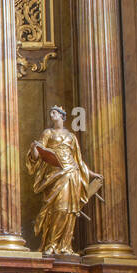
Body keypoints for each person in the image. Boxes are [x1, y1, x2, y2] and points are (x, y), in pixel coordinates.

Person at [26, 105, 100, 255]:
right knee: (56, 209)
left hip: (71, 174)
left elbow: (78, 160)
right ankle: (51, 244)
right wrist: (34, 148)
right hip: (54, 175)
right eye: (51, 113)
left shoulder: (71, 136)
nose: (52, 115)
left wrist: (91, 174)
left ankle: (65, 246)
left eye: (54, 112)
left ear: (61, 116)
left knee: (68, 210)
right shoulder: (47, 133)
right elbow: (37, 156)